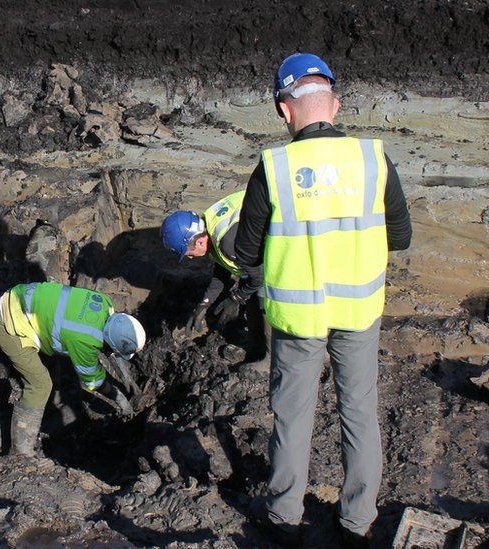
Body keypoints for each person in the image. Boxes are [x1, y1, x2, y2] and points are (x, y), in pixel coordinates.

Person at [235, 53, 412, 546]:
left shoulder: (273, 167)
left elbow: (246, 251)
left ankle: (285, 517)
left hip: (298, 318)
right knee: (359, 411)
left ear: (282, 110)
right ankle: (357, 523)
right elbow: (400, 236)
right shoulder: (373, 159)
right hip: (358, 312)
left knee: (293, 416)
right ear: (334, 104)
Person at [0, 282, 146, 455]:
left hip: (20, 296)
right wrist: (118, 397)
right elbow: (93, 381)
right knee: (40, 384)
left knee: (54, 358)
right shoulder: (83, 341)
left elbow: (107, 342)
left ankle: (48, 408)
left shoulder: (104, 302)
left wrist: (124, 376)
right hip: (8, 323)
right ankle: (21, 453)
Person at [160, 190, 268, 368]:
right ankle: (256, 346)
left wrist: (236, 297)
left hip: (290, 241)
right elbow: (222, 268)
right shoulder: (209, 227)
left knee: (264, 296)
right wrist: (205, 302)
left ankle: (270, 357)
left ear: (199, 242)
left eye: (188, 253)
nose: (190, 258)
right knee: (250, 291)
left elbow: (260, 276)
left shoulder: (228, 242)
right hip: (257, 235)